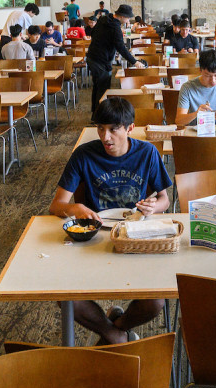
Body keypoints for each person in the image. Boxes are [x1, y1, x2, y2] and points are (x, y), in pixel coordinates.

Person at [50, 97, 171, 343]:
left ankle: (117, 327)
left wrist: (153, 207)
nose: (106, 137)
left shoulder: (147, 153)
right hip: (94, 238)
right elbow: (56, 205)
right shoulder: (83, 155)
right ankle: (114, 334)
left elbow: (164, 200)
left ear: (129, 128)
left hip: (134, 236)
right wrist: (76, 206)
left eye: (113, 130)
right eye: (101, 129)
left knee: (156, 300)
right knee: (66, 298)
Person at [85, 3, 140, 117]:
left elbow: (93, 33)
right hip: (101, 60)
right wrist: (135, 61)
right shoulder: (115, 28)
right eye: (128, 17)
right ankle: (99, 118)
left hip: (92, 56)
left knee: (97, 86)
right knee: (103, 89)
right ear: (122, 16)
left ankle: (95, 114)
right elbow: (121, 48)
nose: (129, 20)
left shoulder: (104, 19)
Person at [176, 48, 216, 125]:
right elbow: (179, 121)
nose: (213, 80)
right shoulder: (187, 88)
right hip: (196, 133)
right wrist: (196, 114)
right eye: (207, 75)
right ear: (200, 70)